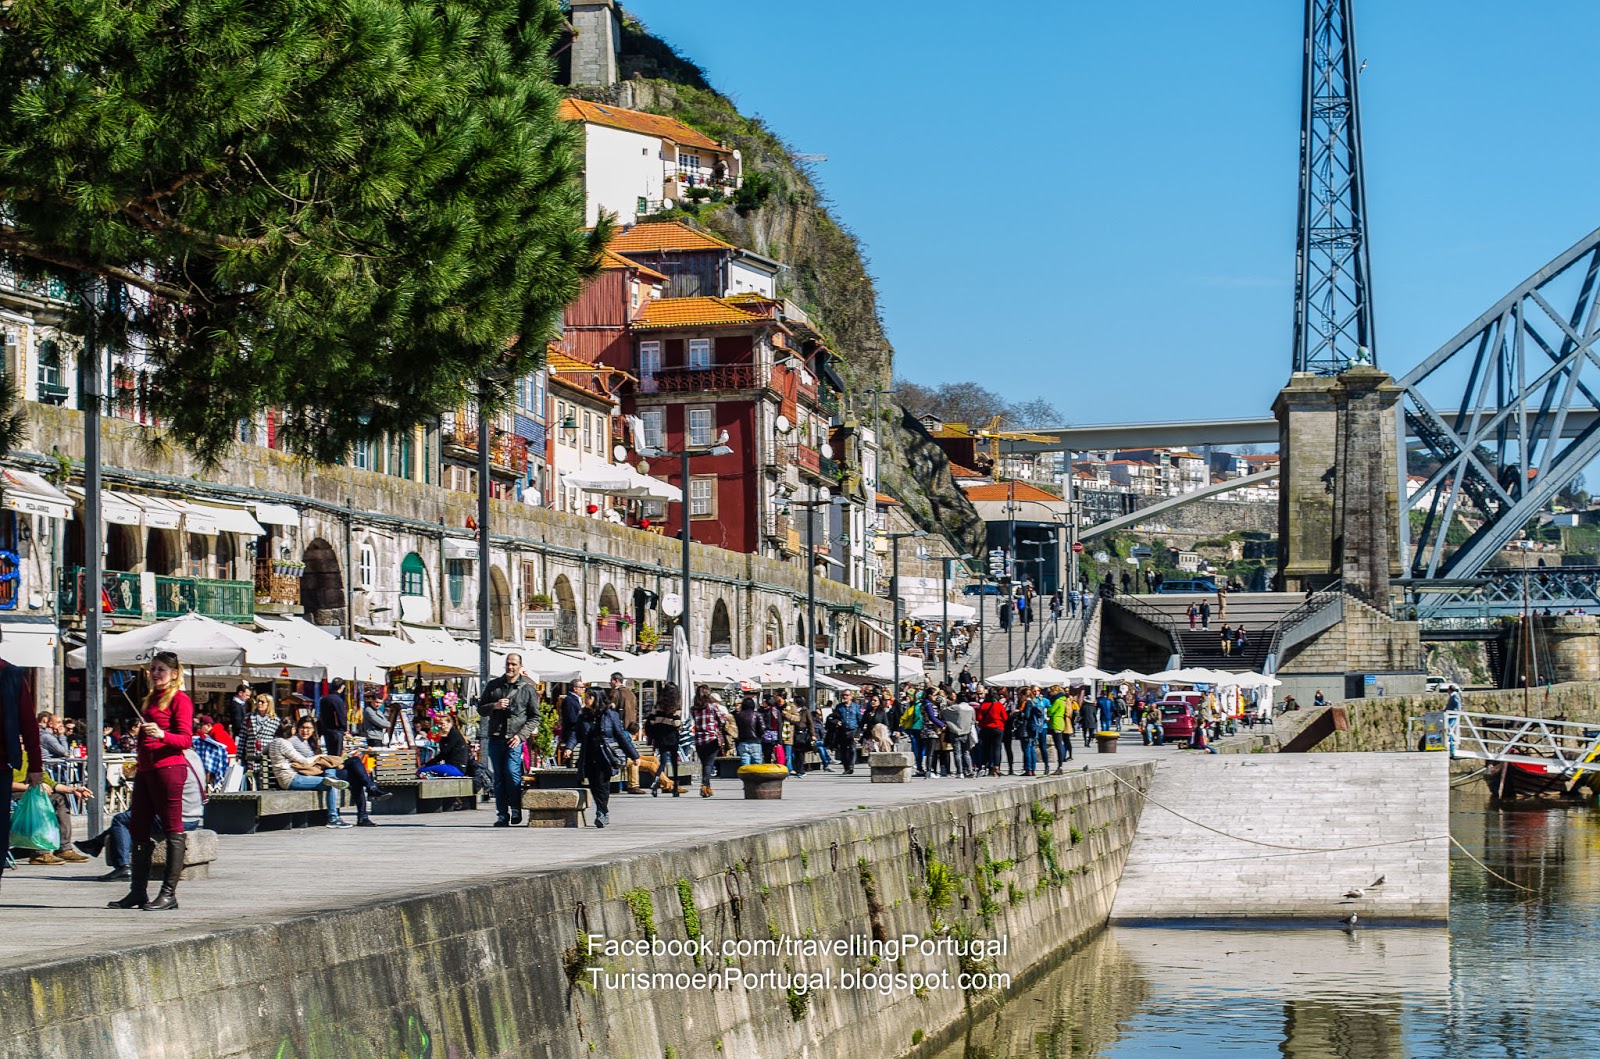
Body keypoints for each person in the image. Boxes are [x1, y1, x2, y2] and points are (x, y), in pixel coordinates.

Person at [110, 651, 194, 912]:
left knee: (172, 828)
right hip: (146, 770)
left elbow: (186, 739)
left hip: (169, 768)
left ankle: (168, 893)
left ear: (174, 674)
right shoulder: (150, 699)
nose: (155, 673)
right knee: (138, 827)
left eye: (161, 669)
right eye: (153, 669)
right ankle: (137, 891)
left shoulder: (179, 700)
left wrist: (162, 734)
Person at [482, 654, 538, 827]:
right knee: (498, 777)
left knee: (512, 773)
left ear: (520, 666)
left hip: (514, 739)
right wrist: (494, 706)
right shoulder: (493, 686)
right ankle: (502, 815)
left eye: (513, 664)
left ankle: (515, 808)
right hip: (496, 737)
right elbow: (481, 709)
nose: (510, 667)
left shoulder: (527, 689)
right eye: (508, 664)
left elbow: (535, 717)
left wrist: (520, 736)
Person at [265, 719, 352, 829]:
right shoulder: (284, 743)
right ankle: (333, 818)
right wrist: (319, 756)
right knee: (331, 784)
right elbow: (305, 762)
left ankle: (331, 778)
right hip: (291, 779)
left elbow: (263, 751)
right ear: (291, 729)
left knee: (331, 780)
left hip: (288, 778)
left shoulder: (274, 742)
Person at [0, 660, 41, 892]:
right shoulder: (12, 675)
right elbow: (29, 724)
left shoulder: (11, 675)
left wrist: (35, 765)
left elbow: (28, 724)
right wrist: (35, 766)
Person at [575, 688, 637, 829]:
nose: (585, 700)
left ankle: (601, 812)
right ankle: (602, 810)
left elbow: (620, 735)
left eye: (589, 697)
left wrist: (634, 755)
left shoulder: (610, 715)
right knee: (593, 784)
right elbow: (577, 734)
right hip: (589, 755)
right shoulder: (583, 716)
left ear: (596, 698)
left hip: (605, 756)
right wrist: (568, 747)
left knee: (602, 784)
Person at [10, 765, 93, 865]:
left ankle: (64, 848)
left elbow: (49, 782)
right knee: (39, 798)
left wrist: (73, 790)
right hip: (10, 794)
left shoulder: (31, 758)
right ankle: (40, 852)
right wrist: (32, 787)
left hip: (30, 791)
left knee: (60, 797)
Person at [645, 687, 683, 797]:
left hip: (660, 736)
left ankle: (655, 782)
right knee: (674, 762)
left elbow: (652, 721)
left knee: (663, 761)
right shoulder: (676, 706)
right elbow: (676, 723)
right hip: (672, 736)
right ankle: (675, 788)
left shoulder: (658, 706)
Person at [690, 689, 728, 798]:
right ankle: (704, 785)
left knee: (704, 764)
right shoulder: (712, 707)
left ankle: (707, 788)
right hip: (712, 738)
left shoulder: (693, 709)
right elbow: (722, 720)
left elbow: (695, 720)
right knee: (709, 764)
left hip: (699, 739)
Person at [943, 694, 975, 778]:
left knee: (957, 753)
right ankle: (970, 770)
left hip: (956, 732)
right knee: (966, 753)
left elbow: (944, 711)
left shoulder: (956, 707)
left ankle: (960, 772)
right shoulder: (971, 708)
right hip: (966, 732)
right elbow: (973, 720)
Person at [975, 691, 1006, 776]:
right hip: (998, 728)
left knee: (986, 748)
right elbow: (1005, 717)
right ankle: (996, 767)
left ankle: (984, 766)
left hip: (986, 728)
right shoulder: (999, 705)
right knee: (997, 748)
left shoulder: (983, 705)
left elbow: (979, 718)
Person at [316, 678, 349, 757]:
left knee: (330, 754)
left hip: (326, 730)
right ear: (342, 687)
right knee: (336, 756)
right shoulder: (338, 700)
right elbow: (341, 716)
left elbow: (320, 715)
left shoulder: (324, 699)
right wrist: (344, 728)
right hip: (336, 731)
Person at [833, 690, 863, 775]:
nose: (845, 697)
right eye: (843, 695)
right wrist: (836, 722)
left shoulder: (856, 706)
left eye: (846, 695)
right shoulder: (839, 707)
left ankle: (851, 767)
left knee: (852, 749)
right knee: (843, 750)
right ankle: (846, 767)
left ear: (851, 697)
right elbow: (834, 717)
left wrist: (859, 732)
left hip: (853, 730)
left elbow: (860, 719)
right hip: (842, 731)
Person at [733, 696, 766, 766]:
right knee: (757, 763)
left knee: (745, 763)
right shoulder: (757, 714)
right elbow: (762, 728)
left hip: (742, 741)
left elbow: (735, 728)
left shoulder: (738, 715)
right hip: (755, 741)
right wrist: (760, 736)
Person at [1048, 687, 1074, 770]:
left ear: (1055, 691)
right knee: (1060, 744)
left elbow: (1051, 711)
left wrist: (1048, 709)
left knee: (1058, 745)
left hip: (1056, 722)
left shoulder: (1058, 701)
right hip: (1061, 723)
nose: (1049, 693)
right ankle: (1061, 764)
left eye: (1051, 691)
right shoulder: (1064, 700)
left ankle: (1060, 765)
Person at [559, 680, 585, 763]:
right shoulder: (570, 700)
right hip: (571, 732)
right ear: (575, 689)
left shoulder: (576, 699)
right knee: (571, 759)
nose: (583, 689)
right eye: (582, 687)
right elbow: (571, 718)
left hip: (575, 732)